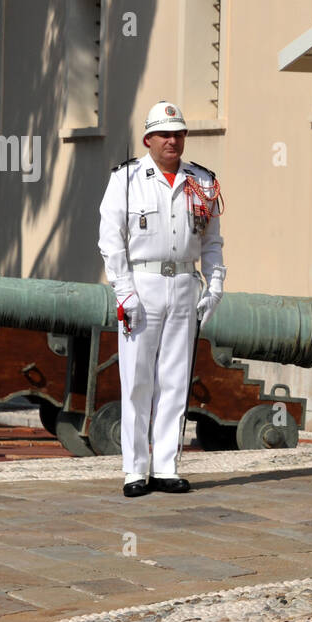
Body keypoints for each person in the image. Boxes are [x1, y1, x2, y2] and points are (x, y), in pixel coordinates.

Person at [99, 100, 225, 498]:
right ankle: (135, 469)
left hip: (185, 284)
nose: (173, 141)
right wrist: (124, 290)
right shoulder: (127, 179)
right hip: (144, 283)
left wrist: (215, 282)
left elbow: (212, 241)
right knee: (137, 379)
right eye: (165, 135)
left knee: (175, 379)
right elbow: (110, 239)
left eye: (179, 134)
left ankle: (167, 465)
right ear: (148, 139)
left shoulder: (202, 181)